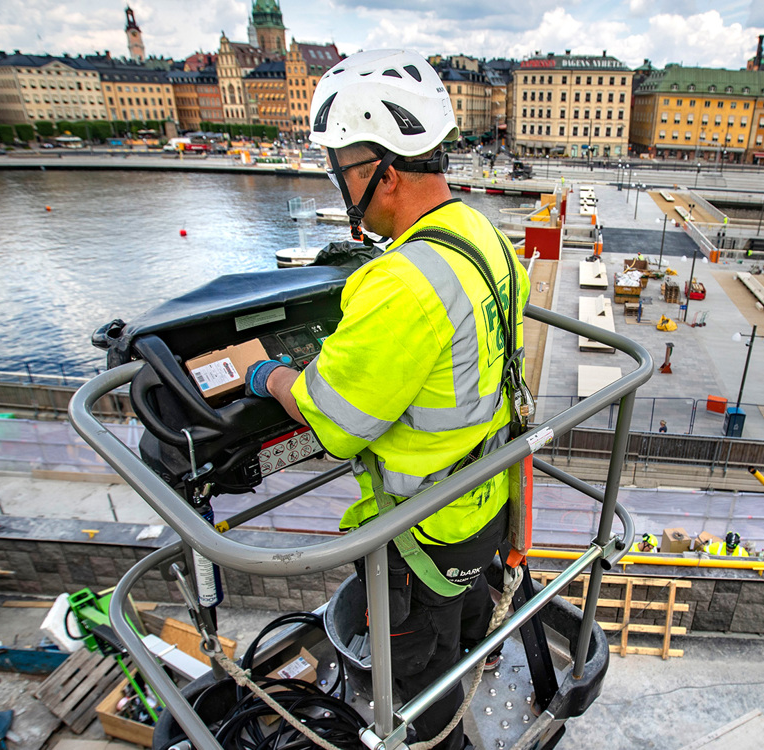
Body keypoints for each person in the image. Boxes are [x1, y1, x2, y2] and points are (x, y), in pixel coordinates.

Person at [245, 49, 530, 750]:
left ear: (385, 171)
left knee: (412, 682)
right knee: (461, 627)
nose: (341, 185)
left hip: (418, 532)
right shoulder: (482, 236)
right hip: (479, 500)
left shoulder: (400, 282)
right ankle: (468, 670)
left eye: (342, 167)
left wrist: (264, 374)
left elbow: (335, 423)